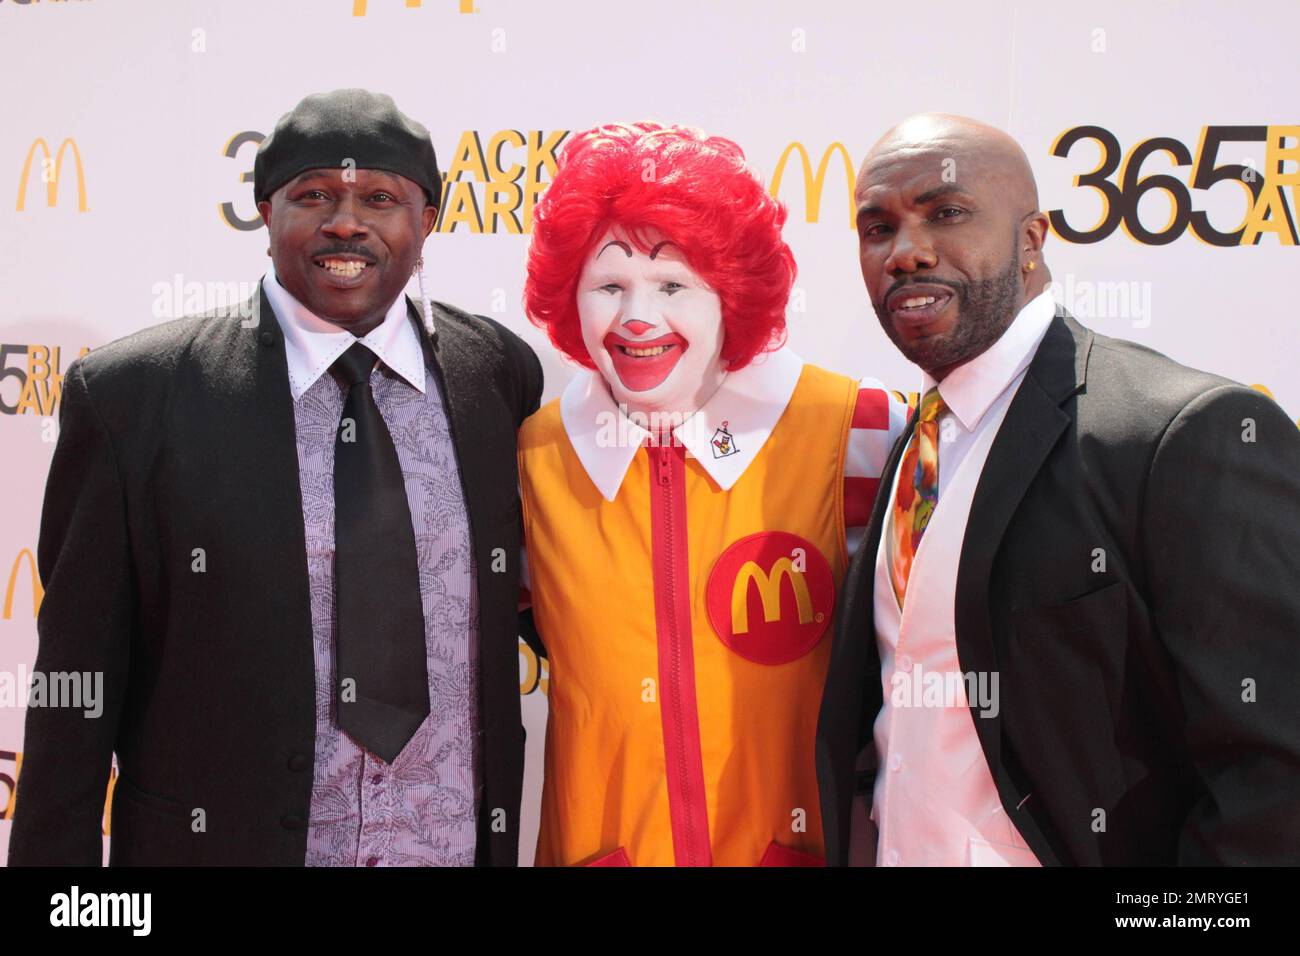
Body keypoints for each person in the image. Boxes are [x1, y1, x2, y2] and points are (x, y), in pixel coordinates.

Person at [9, 89, 542, 866]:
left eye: (381, 198)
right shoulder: (137, 395)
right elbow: (75, 691)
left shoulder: (495, 372)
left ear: (427, 220)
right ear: (265, 212)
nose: (346, 222)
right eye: (314, 194)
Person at [816, 112, 1300, 866]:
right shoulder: (919, 439)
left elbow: (1275, 767)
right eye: (877, 228)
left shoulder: (1178, 433)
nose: (905, 253)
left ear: (1033, 240)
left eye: (947, 214)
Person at [518, 122, 906, 866]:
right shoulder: (531, 460)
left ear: (730, 292)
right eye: (609, 284)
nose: (637, 316)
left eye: (673, 284)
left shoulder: (859, 432)